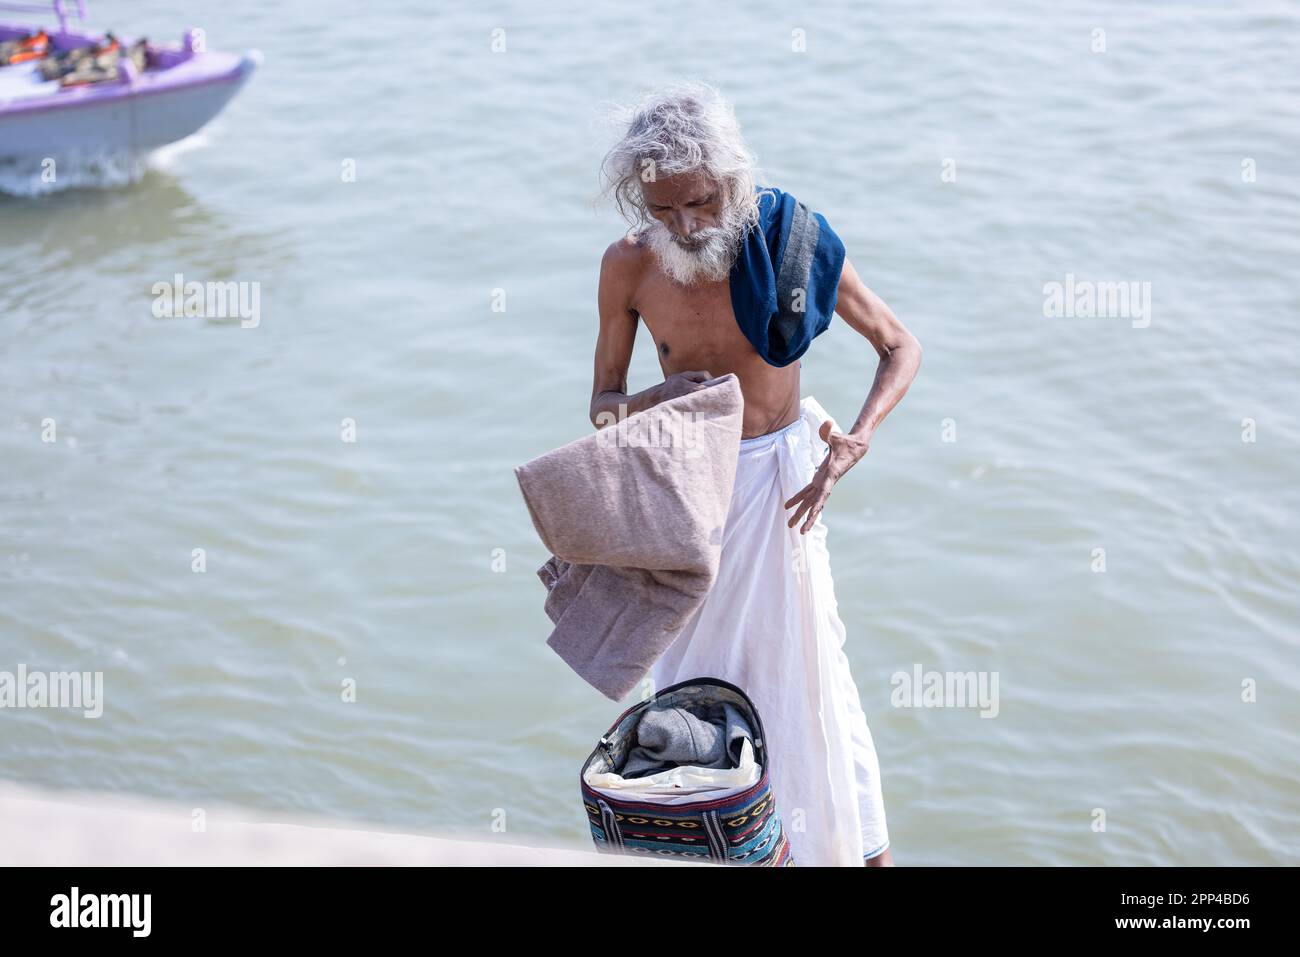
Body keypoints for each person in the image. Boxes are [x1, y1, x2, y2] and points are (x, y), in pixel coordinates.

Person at [590, 81, 921, 866]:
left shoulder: (790, 242)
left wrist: (857, 438)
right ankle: (730, 846)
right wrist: (653, 397)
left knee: (806, 680)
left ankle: (849, 850)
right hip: (681, 497)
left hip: (781, 492)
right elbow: (602, 407)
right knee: (688, 686)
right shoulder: (629, 267)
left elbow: (899, 345)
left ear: (733, 182)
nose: (687, 224)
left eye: (701, 202)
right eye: (663, 208)